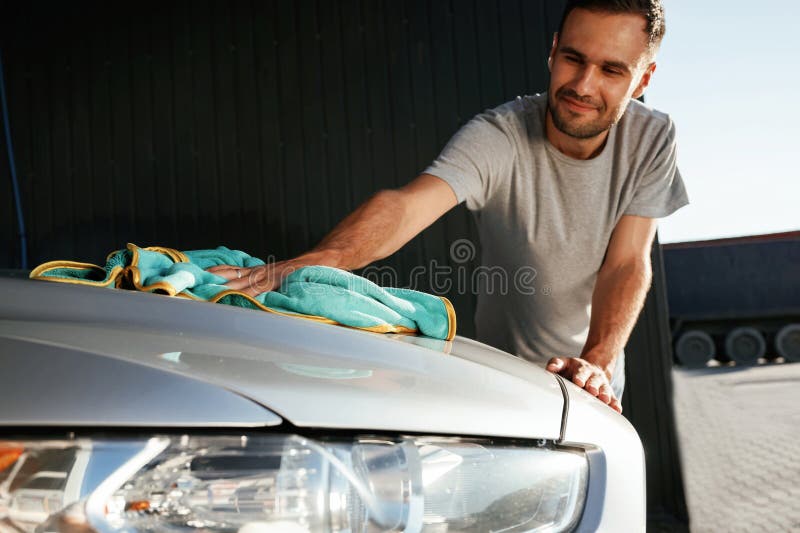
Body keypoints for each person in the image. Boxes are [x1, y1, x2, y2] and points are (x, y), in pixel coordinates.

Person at [209, 0, 688, 414]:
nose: (582, 85)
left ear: (643, 78)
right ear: (553, 48)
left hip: (598, 375)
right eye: (573, 58)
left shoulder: (653, 138)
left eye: (610, 70)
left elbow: (626, 261)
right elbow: (406, 205)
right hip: (506, 374)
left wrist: (598, 363)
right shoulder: (498, 135)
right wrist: (317, 263)